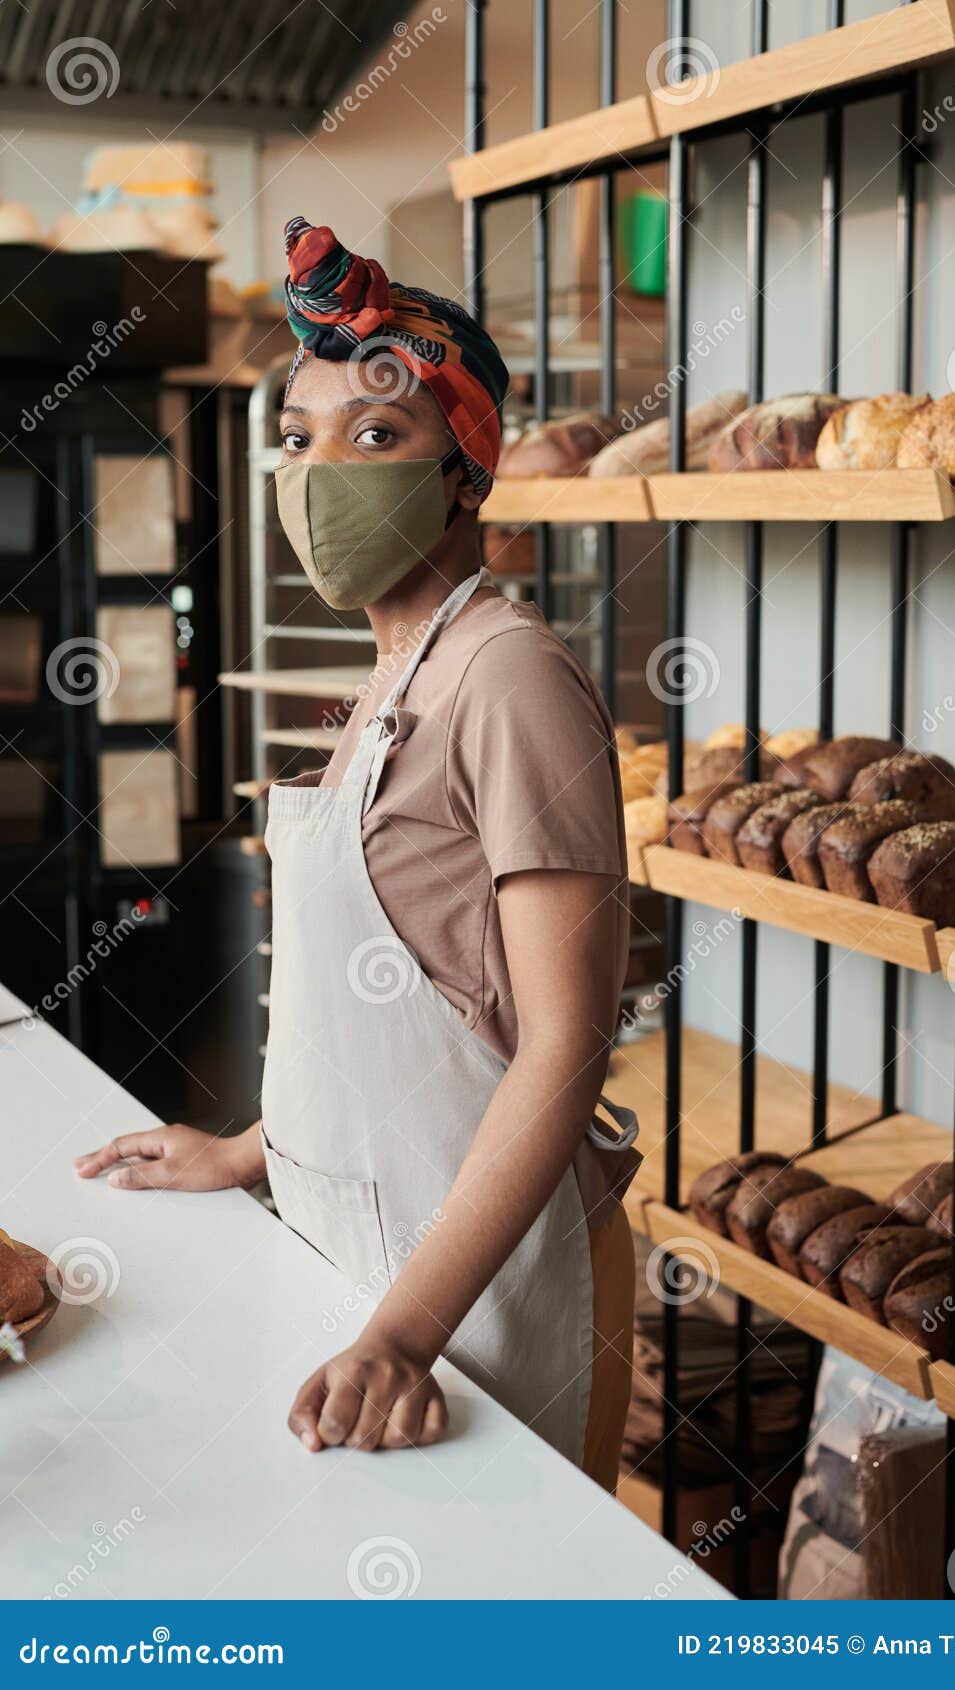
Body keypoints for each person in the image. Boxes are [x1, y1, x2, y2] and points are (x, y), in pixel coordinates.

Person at [75, 217, 639, 1491]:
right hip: (364, 1266)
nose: (320, 471)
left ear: (465, 474)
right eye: (298, 438)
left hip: (473, 1296)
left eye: (374, 435)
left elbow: (558, 1045)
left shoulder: (509, 680)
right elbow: (399, 1017)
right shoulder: (397, 674)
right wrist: (249, 1149)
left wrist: (403, 1331)